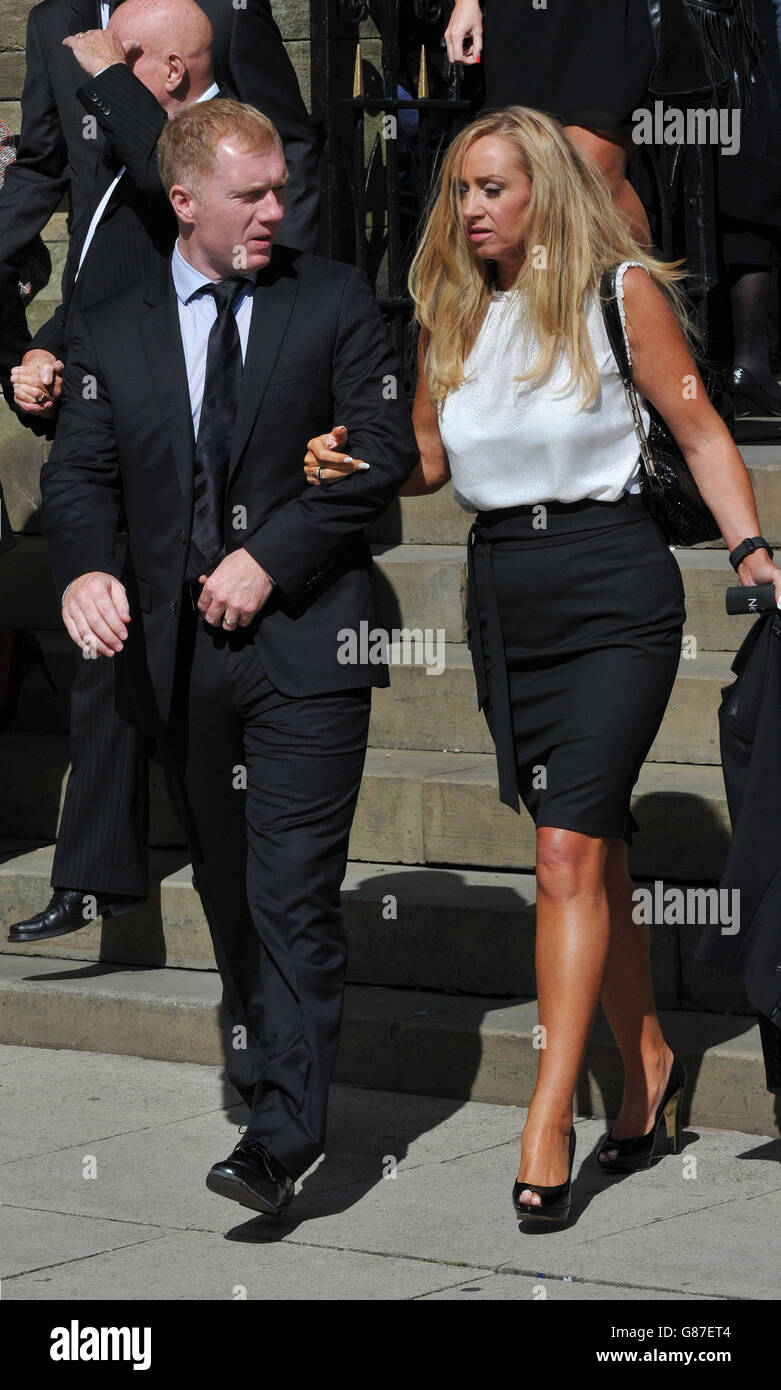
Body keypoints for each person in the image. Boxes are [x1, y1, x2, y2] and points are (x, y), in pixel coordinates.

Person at [303, 105, 781, 1222]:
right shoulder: (451, 312)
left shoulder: (620, 296)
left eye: (492, 189)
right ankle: (647, 1065)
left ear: (544, 193)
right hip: (505, 599)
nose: (469, 209)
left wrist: (753, 547)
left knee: (565, 850)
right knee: (590, 845)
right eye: (461, 190)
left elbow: (702, 428)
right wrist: (346, 455)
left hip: (613, 585)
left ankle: (545, 1112)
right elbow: (426, 458)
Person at [39, 100, 419, 1217]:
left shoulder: (336, 297)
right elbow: (81, 477)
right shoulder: (108, 322)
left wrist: (272, 554)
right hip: (175, 658)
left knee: (292, 889)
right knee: (224, 884)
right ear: (187, 200)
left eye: (280, 190)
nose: (274, 210)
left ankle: (283, 1134)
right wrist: (84, 568)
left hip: (305, 645)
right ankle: (264, 1076)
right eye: (249, 194)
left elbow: (384, 447)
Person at [7, 0, 232, 948]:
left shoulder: (230, 135)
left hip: (201, 403)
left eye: (127, 59)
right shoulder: (74, 35)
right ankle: (96, 874)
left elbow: (165, 173)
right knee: (100, 615)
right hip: (98, 365)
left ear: (170, 69)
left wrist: (107, 74)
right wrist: (35, 350)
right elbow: (59, 183)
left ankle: (228, 852)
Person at [444, 0, 656, 246]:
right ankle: (541, 282)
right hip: (518, 18)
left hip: (602, 16)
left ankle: (628, 282)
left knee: (594, 171)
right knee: (520, 167)